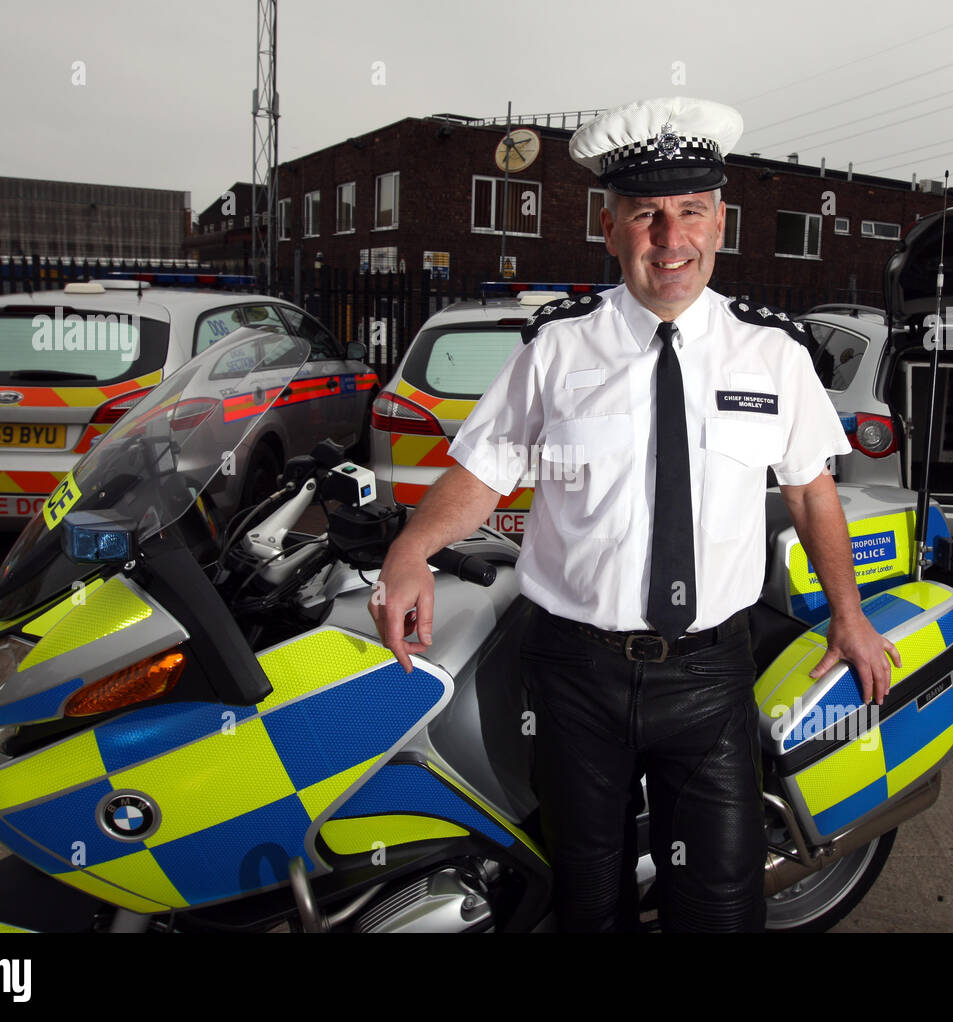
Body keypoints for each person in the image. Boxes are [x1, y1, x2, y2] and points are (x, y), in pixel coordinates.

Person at [368, 96, 901, 933]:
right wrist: (410, 552)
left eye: (690, 212)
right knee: (588, 906)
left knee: (721, 909)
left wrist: (850, 616)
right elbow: (484, 469)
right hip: (574, 675)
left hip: (709, 677)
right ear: (609, 226)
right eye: (646, 215)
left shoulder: (773, 352)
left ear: (721, 223)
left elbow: (809, 491)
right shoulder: (556, 347)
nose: (670, 238)